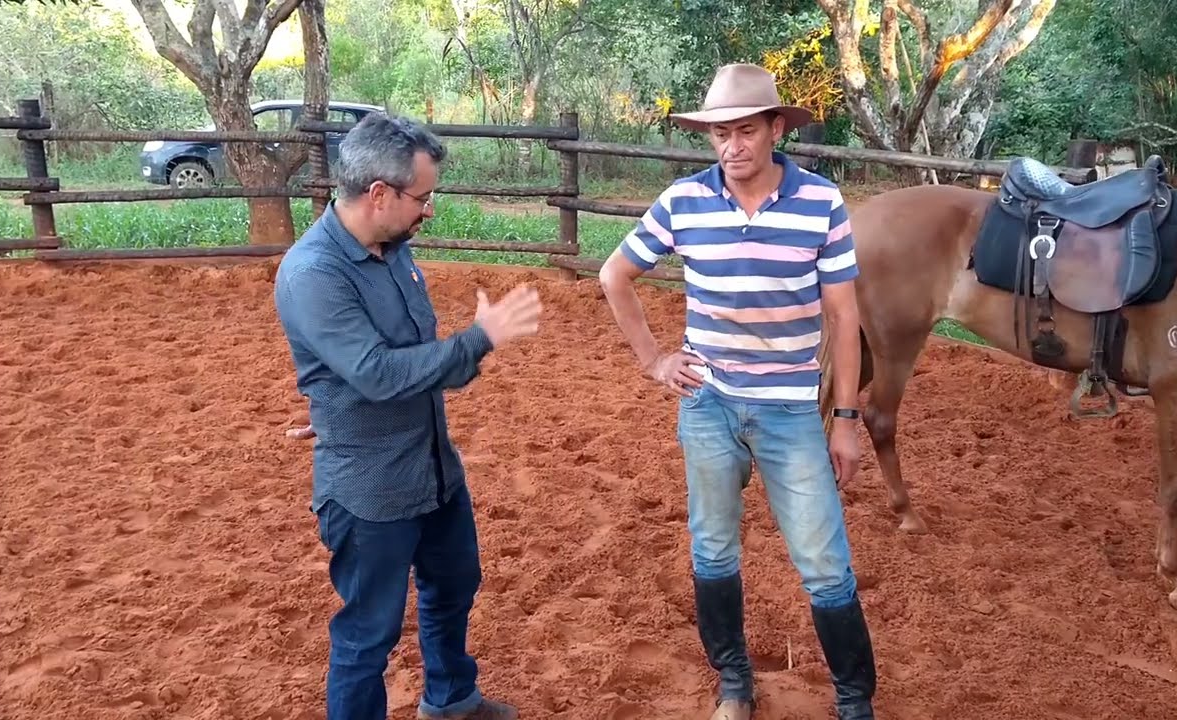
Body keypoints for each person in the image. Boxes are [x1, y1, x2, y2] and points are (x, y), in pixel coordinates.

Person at [597, 63, 877, 720]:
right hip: (709, 405)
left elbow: (844, 317)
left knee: (823, 561)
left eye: (745, 131)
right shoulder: (683, 201)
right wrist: (654, 361)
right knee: (713, 546)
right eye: (719, 134)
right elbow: (615, 275)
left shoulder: (820, 204)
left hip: (788, 409)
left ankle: (855, 700)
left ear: (776, 129)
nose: (732, 147)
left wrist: (844, 418)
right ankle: (733, 682)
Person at [273, 111, 540, 720]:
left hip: (433, 467)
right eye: (422, 196)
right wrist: (479, 339)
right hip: (371, 491)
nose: (430, 209)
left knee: (454, 587)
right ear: (378, 195)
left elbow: (395, 361)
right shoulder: (313, 273)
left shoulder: (393, 249)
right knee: (368, 634)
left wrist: (334, 407)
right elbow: (376, 372)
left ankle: (450, 699)